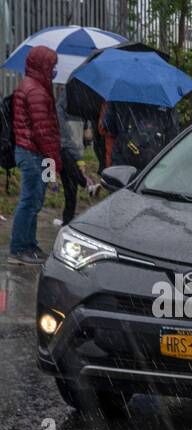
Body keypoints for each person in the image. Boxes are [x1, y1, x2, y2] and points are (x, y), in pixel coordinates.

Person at [7, 46, 61, 266]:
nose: (54, 70)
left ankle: (29, 245)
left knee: (35, 200)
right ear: (43, 65)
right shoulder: (36, 91)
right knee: (30, 201)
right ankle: (19, 249)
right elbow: (43, 130)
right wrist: (53, 158)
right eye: (52, 65)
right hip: (34, 154)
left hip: (35, 153)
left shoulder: (34, 86)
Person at [54, 84, 98, 227]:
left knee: (70, 189)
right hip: (71, 148)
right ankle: (86, 185)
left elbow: (67, 135)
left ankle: (67, 220)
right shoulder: (77, 97)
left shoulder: (70, 98)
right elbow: (68, 137)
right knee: (70, 187)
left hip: (70, 148)